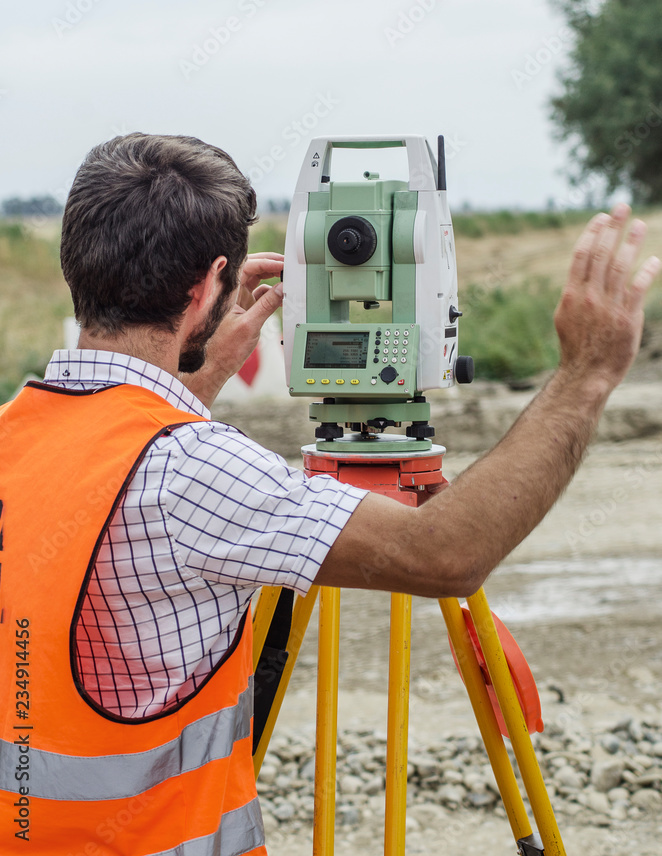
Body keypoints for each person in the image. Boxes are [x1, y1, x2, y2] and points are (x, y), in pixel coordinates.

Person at [0, 132, 658, 856]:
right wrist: (585, 375)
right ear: (205, 287)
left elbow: (108, 460)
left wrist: (198, 375)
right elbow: (446, 554)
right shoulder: (191, 471)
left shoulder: (16, 430)